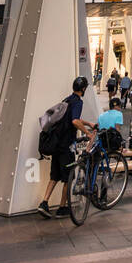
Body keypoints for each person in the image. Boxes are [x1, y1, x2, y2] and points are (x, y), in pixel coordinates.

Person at [38, 76, 96, 218]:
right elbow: (75, 120)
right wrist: (88, 133)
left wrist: (89, 123)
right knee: (68, 177)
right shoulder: (78, 102)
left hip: (56, 144)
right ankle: (62, 208)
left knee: (55, 175)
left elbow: (72, 118)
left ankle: (44, 203)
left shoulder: (67, 100)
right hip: (66, 146)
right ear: (83, 89)